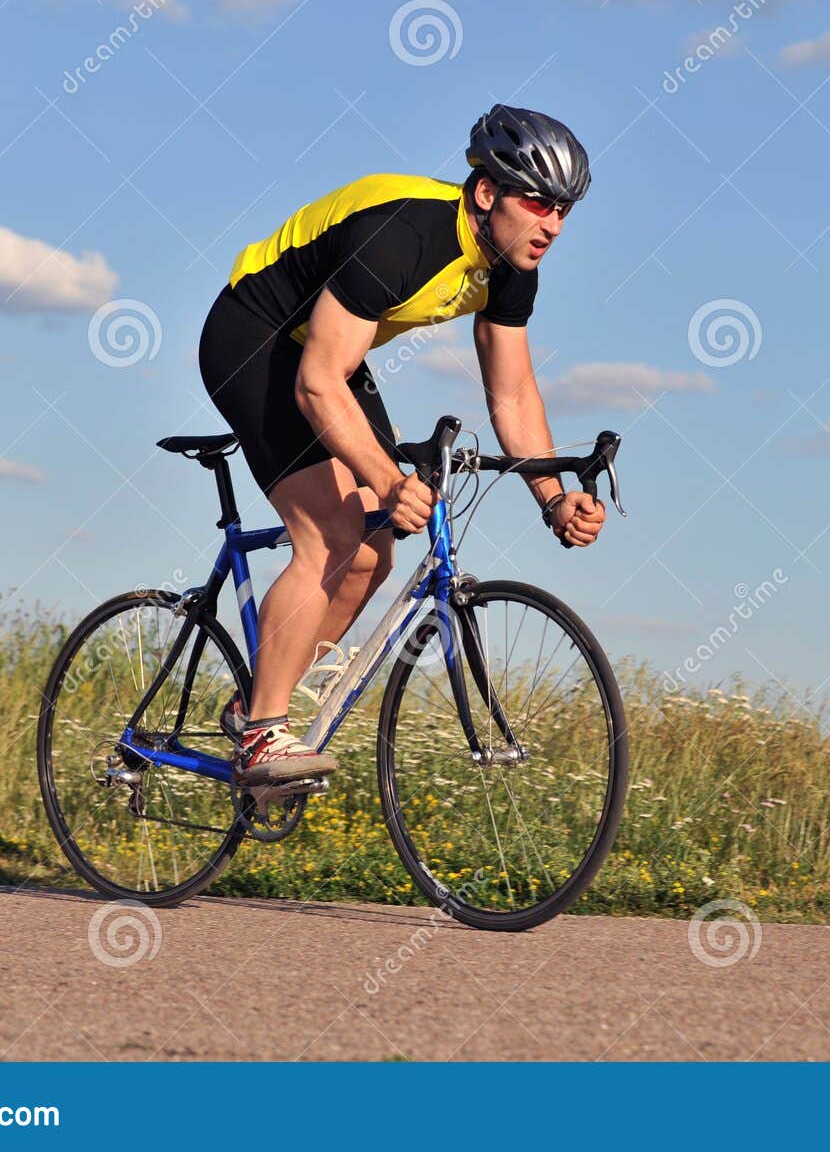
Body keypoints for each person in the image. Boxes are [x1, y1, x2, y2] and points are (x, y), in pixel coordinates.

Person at [197, 105, 606, 786]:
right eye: (538, 203)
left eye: (564, 209)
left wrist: (553, 500)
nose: (553, 226)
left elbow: (511, 395)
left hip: (326, 351)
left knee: (369, 554)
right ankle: (263, 735)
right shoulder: (402, 237)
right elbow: (317, 384)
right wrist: (388, 481)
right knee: (329, 532)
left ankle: (253, 707)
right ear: (486, 193)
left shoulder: (510, 264)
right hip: (254, 335)